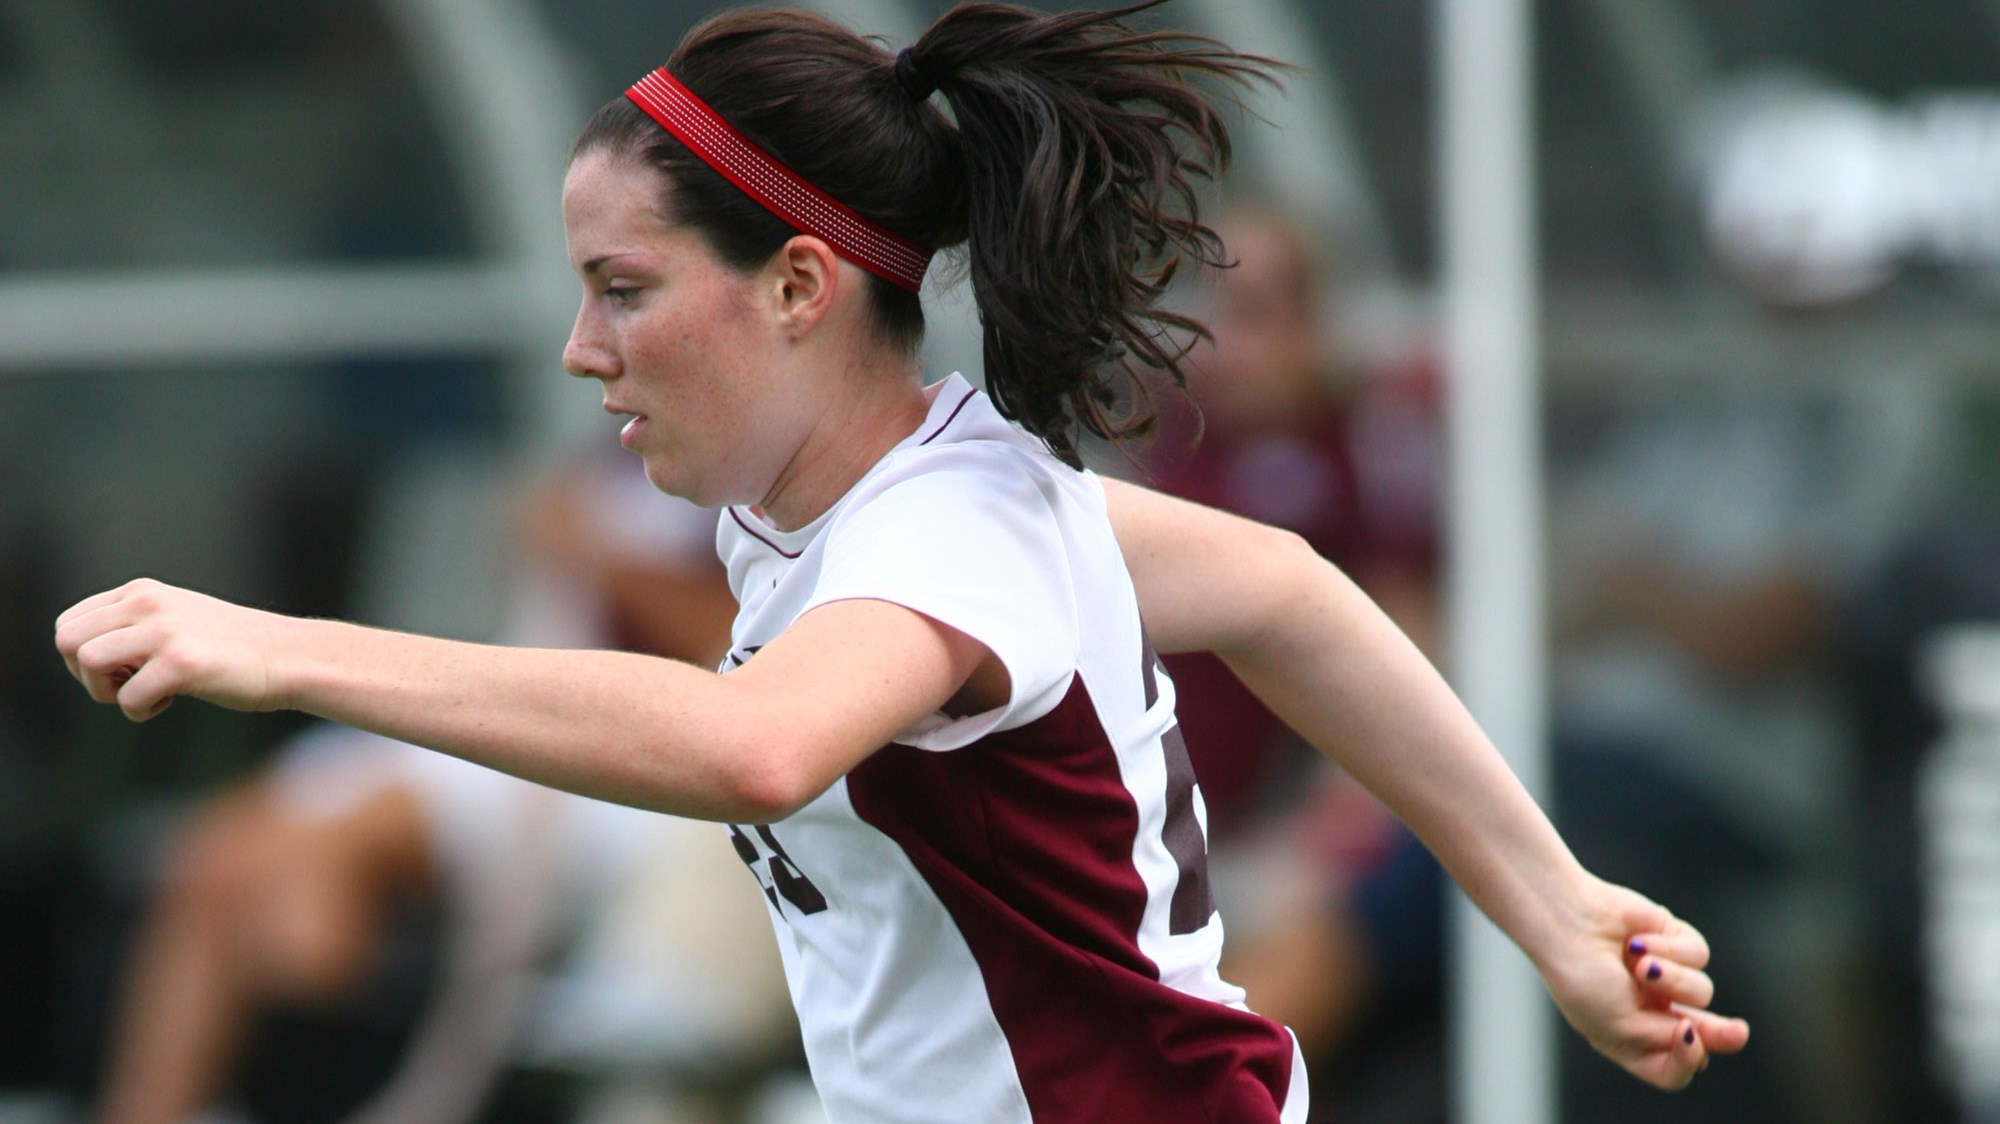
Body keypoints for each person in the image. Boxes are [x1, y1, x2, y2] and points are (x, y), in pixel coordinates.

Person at [55, 3, 1748, 1120]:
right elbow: (1293, 593)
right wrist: (1558, 907)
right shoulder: (895, 509)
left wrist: (280, 645)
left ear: (799, 287)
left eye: (625, 287)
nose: (582, 348)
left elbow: (755, 748)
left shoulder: (941, 532)